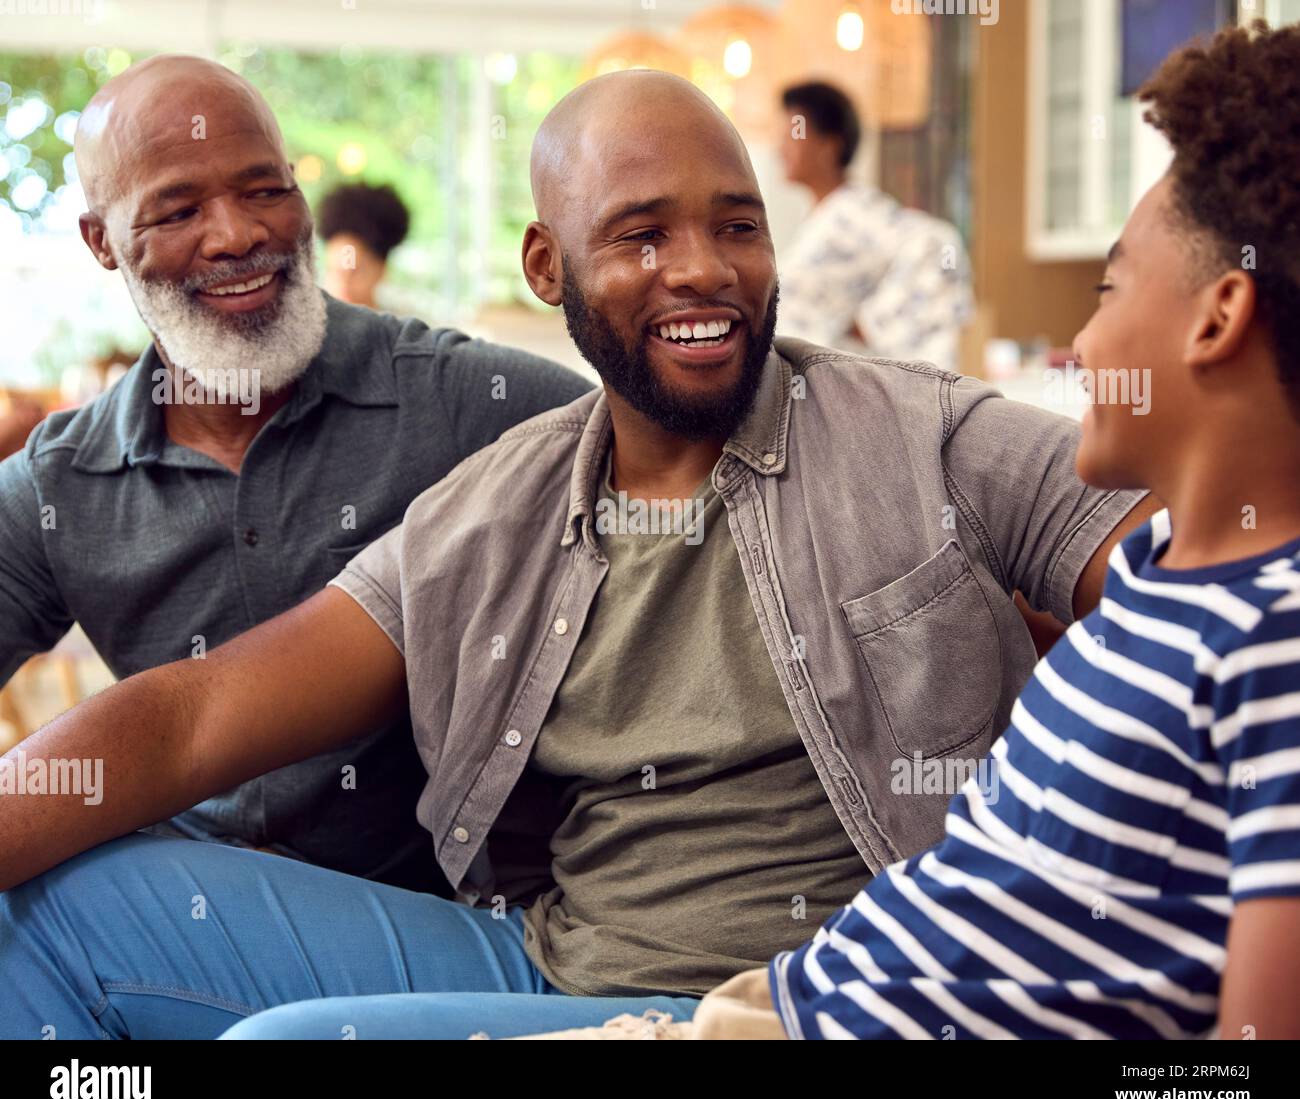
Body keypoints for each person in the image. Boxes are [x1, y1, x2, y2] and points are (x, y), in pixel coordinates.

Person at [0, 70, 1154, 1041]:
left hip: (804, 995)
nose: (701, 268)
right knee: (60, 902)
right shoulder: (492, 506)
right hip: (549, 968)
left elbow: (1202, 585)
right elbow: (194, 718)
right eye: (642, 234)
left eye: (737, 225)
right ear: (547, 269)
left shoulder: (928, 433)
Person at [689, 21, 1300, 1041]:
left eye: (1107, 291)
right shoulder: (1161, 576)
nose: (1079, 343)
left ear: (1215, 317)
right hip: (792, 997)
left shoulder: (1274, 639)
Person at [0, 55, 590, 893]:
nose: (238, 233)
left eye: (265, 190)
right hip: (191, 915)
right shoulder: (58, 486)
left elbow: (666, 486)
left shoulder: (468, 402)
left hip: (438, 927)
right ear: (101, 242)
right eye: (178, 208)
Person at [776, 81, 973, 370]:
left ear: (829, 145)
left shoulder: (853, 212)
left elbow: (939, 242)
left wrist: (874, 325)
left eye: (792, 135)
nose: (780, 148)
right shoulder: (821, 219)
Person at [318, 183, 410, 309]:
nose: (343, 285)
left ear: (381, 270)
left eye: (355, 273)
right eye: (335, 271)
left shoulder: (403, 326)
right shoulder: (307, 324)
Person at [0, 396, 45, 462]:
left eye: (37, 413)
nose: (33, 417)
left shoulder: (38, 429)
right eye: (29, 412)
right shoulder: (9, 427)